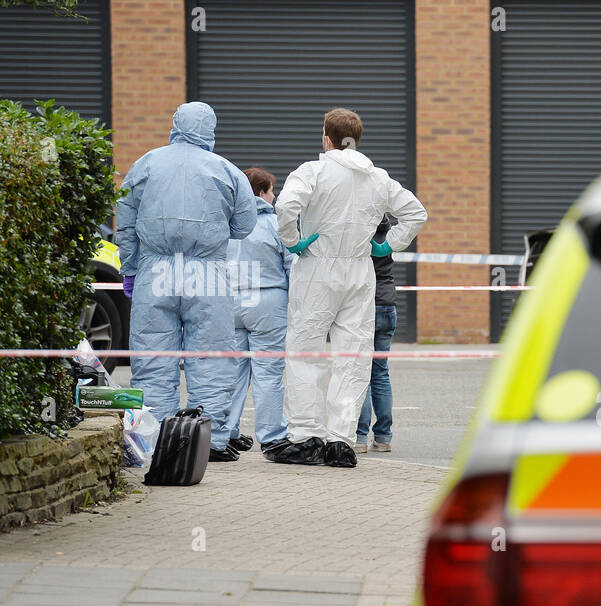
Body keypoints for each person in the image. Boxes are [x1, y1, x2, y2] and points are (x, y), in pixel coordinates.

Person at [274, 108, 427, 467]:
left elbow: (285, 204)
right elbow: (416, 212)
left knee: (304, 351)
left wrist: (292, 240)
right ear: (356, 140)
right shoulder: (379, 178)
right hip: (360, 272)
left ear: (326, 138)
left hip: (317, 268)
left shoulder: (313, 171)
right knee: (354, 356)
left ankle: (303, 436)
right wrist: (389, 245)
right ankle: (340, 441)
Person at [116, 102, 258, 462]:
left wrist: (130, 269)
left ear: (175, 125)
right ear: (210, 130)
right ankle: (207, 440)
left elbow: (126, 224)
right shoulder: (225, 170)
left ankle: (150, 440)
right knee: (211, 356)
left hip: (155, 271)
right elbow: (245, 225)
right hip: (206, 272)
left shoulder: (146, 164)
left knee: (152, 357)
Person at [219, 168, 295, 459]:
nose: (274, 196)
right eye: (272, 190)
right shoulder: (276, 224)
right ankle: (273, 437)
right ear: (262, 193)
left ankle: (225, 433)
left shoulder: (225, 225)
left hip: (229, 303)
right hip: (267, 302)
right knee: (268, 373)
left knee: (232, 374)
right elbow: (291, 267)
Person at [356, 215, 397, 454]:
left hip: (363, 305)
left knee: (360, 372)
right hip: (387, 304)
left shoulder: (359, 234)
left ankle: (359, 437)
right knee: (380, 372)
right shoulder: (389, 235)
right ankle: (383, 437)